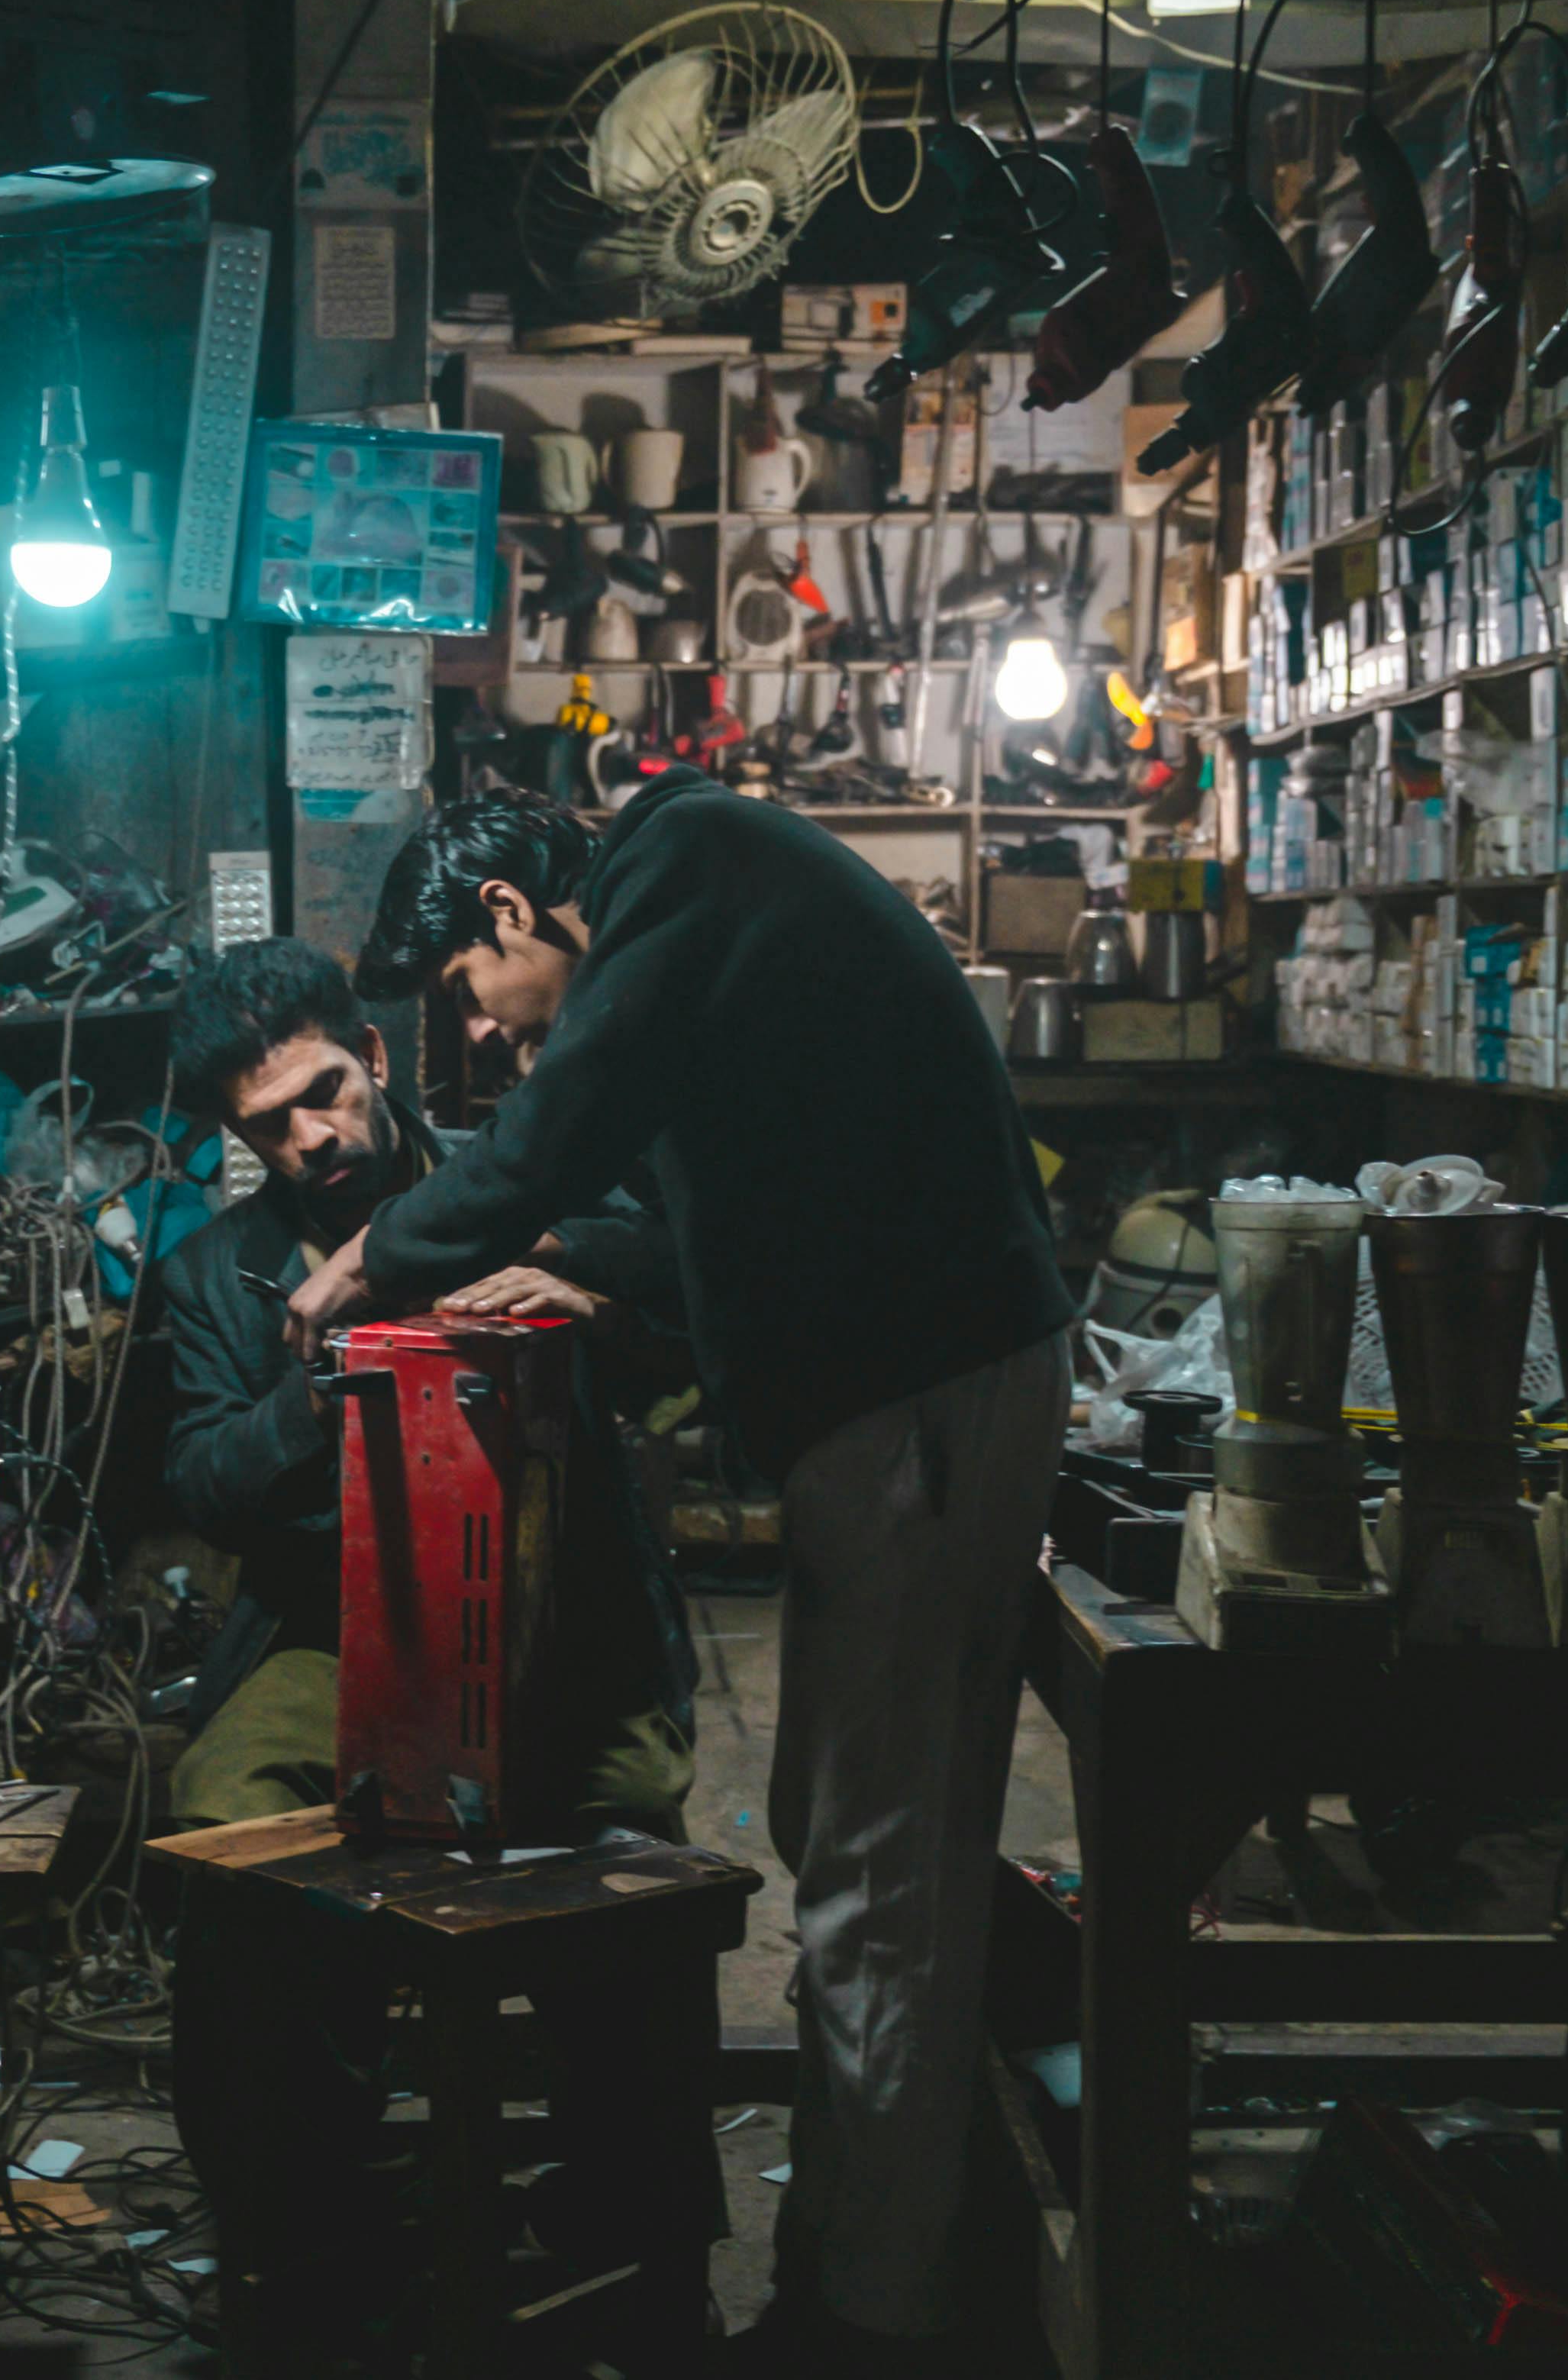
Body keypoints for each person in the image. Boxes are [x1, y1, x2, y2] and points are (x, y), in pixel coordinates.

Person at [290, 779, 1070, 2372]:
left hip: (922, 1401)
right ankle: (869, 2260)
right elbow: (677, 1211)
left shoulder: (685, 862)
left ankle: (870, 2318)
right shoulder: (698, 918)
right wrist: (568, 1263)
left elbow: (558, 1127)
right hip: (893, 1405)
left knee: (879, 1881)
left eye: (469, 992)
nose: (486, 1032)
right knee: (844, 1844)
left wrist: (380, 1253)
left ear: (508, 911)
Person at [154, 935, 706, 2362]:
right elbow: (203, 1481)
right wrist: (326, 1386)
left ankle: (628, 2218)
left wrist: (576, 1284)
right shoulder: (218, 1271)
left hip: (559, 1623)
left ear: (374, 1056)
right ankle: (310, 2230)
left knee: (623, 1837)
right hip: (332, 1627)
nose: (310, 1138)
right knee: (233, 1831)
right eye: (267, 1125)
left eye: (323, 1094)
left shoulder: (523, 1179)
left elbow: (692, 1294)